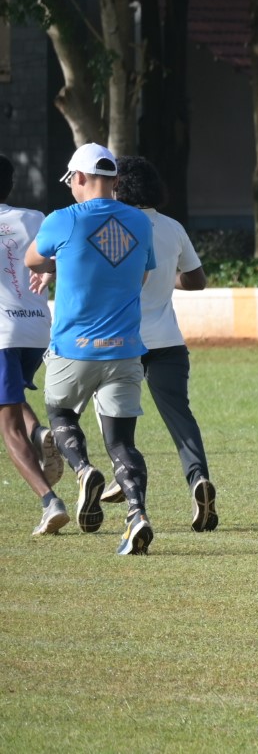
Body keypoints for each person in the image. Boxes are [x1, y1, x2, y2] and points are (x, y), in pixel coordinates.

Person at [25, 143, 158, 554]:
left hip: (74, 348)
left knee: (60, 411)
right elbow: (139, 278)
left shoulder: (62, 220)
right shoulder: (140, 222)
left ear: (79, 178)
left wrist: (55, 267)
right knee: (122, 442)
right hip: (125, 349)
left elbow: (33, 259)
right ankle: (137, 515)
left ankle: (83, 470)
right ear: (115, 181)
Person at [116, 157, 219, 532]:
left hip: (122, 340)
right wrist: (168, 281)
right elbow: (197, 279)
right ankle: (198, 480)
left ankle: (119, 474)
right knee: (180, 417)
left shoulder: (117, 226)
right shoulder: (172, 227)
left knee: (112, 412)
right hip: (169, 342)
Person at [0, 154, 65, 535]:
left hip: (3, 335)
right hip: (39, 329)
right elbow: (61, 258)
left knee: (7, 427)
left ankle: (49, 501)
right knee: (11, 397)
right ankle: (41, 434)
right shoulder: (34, 218)